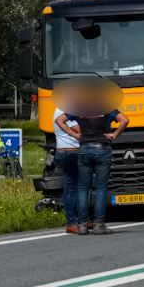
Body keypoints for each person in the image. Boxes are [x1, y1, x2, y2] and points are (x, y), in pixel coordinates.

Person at [55, 80, 128, 234]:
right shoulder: (107, 108)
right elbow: (125, 120)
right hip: (102, 148)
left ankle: (82, 225)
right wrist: (115, 134)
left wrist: (74, 134)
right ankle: (98, 224)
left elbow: (59, 120)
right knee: (101, 188)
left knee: (82, 188)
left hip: (84, 149)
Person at [52, 95, 82, 224]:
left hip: (67, 151)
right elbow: (79, 129)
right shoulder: (64, 112)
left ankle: (81, 219)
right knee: (71, 187)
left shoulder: (62, 110)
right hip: (70, 151)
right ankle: (72, 221)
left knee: (76, 186)